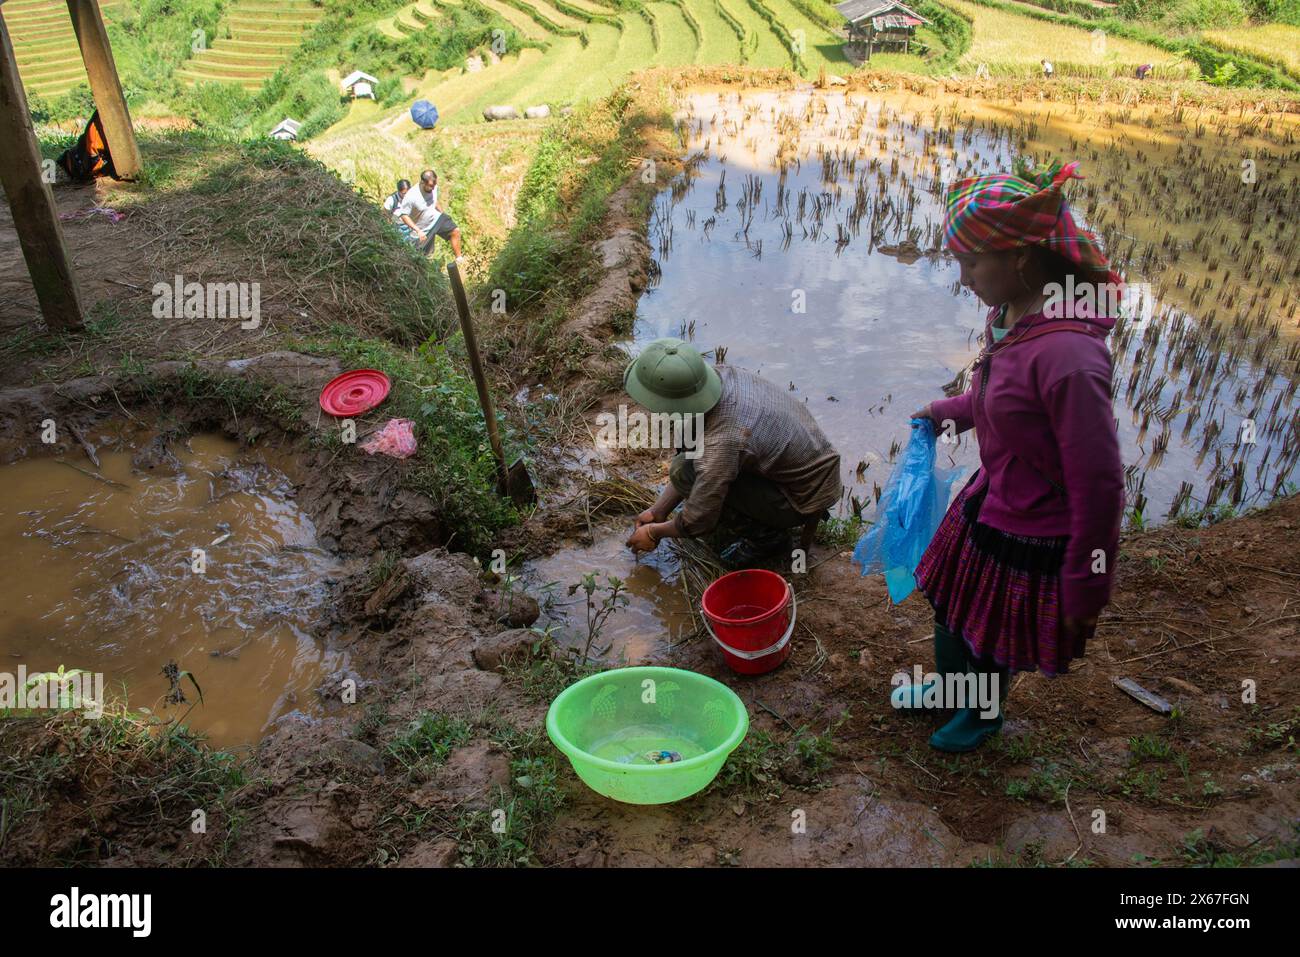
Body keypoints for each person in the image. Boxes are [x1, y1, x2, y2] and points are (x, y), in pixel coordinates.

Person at [900, 159, 1125, 753]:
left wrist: (1087, 577)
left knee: (990, 635)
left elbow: (1099, 482)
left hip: (1034, 529)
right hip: (990, 498)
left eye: (972, 262)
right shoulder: (1012, 316)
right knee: (949, 606)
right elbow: (1003, 399)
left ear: (1020, 258)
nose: (964, 275)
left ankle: (981, 715)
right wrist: (951, 410)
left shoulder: (1070, 359)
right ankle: (953, 694)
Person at [623, 339, 842, 568]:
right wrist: (658, 511)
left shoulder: (723, 440)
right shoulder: (720, 378)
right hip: (802, 472)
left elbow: (699, 520)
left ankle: (768, 538)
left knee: (687, 473)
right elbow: (692, 449)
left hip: (803, 498)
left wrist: (655, 533)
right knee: (684, 466)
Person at [398, 169, 462, 259]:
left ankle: (459, 259)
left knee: (455, 231)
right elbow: (404, 215)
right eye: (431, 186)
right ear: (423, 182)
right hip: (422, 229)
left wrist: (442, 213)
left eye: (434, 185)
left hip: (435, 218)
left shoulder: (433, 186)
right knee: (422, 258)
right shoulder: (411, 196)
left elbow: (434, 201)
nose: (433, 188)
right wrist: (418, 231)